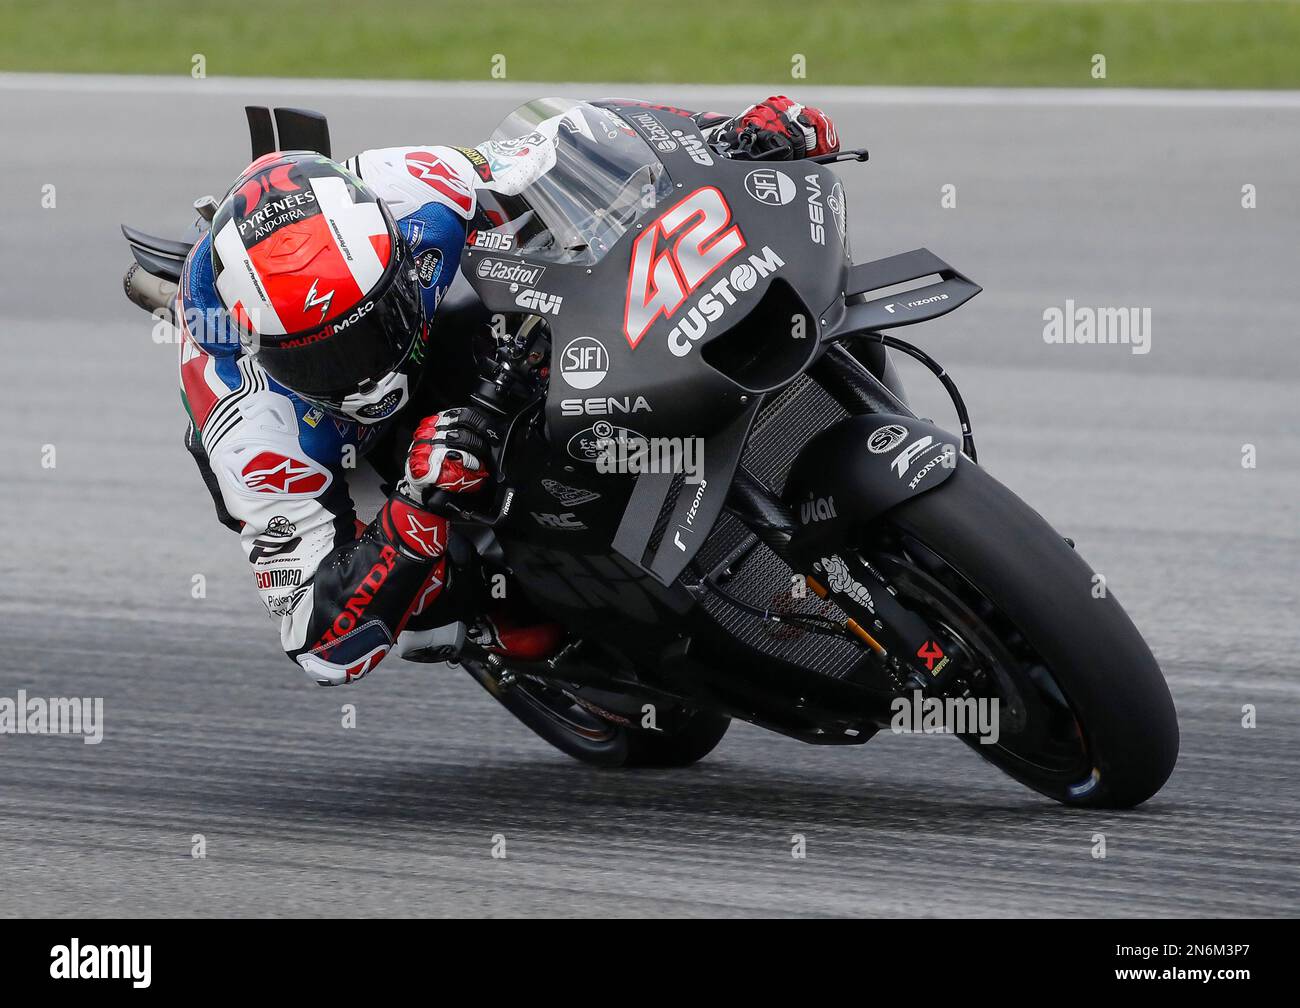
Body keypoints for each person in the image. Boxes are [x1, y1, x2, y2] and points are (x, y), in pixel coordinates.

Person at [175, 96, 839, 686]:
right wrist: (415, 512)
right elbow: (318, 644)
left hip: (452, 312)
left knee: (536, 263)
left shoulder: (415, 189)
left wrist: (727, 132)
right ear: (261, 345)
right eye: (324, 357)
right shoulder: (251, 422)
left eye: (374, 325)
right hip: (341, 449)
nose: (360, 366)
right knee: (454, 607)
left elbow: (576, 139)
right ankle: (497, 627)